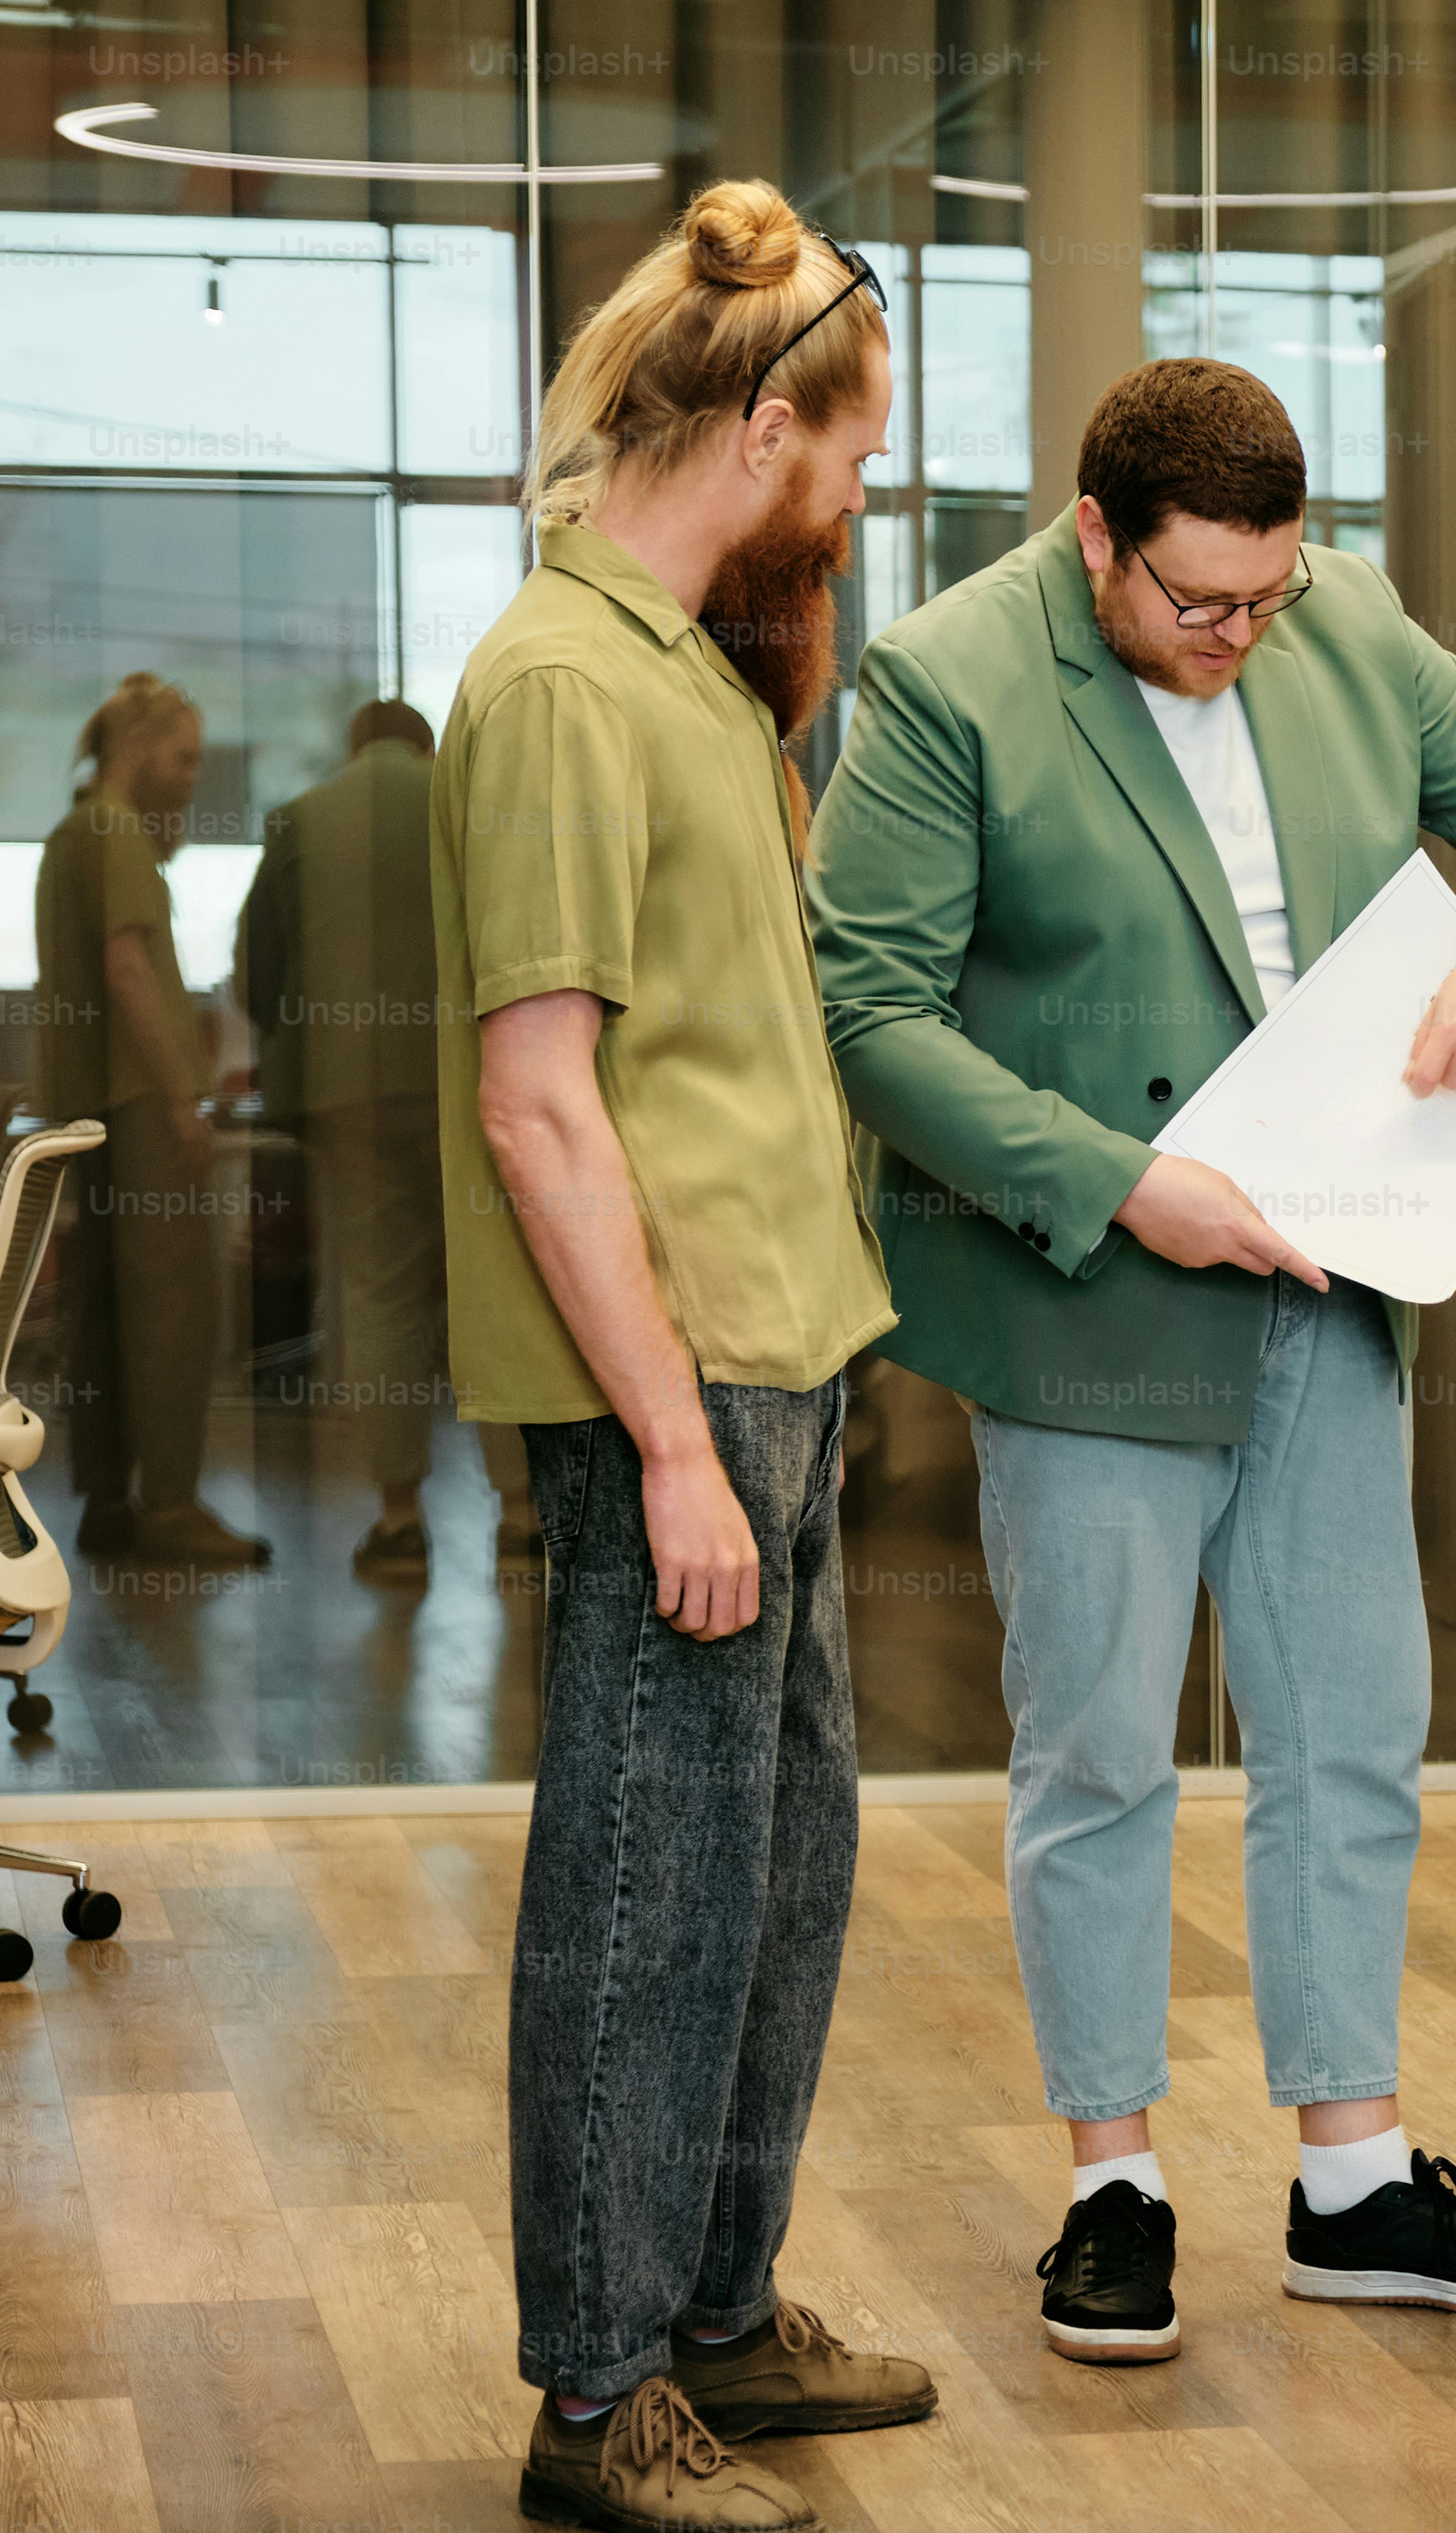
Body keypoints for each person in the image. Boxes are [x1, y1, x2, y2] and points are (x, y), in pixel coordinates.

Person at [806, 356, 1456, 2367]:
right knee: (1097, 1754)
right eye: (1198, 605)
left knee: (1351, 1732)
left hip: (1334, 1282)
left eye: (1264, 600)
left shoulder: (1333, 617)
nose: (1239, 636)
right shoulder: (944, 684)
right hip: (1096, 1294)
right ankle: (1114, 2184)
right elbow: (870, 1009)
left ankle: (1354, 2180)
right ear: (1096, 534)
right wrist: (1119, 1185)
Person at [434, 179, 939, 2533]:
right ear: (761, 425)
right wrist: (669, 1452)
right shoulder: (553, 683)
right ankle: (596, 2395)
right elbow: (543, 1104)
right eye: (847, 453)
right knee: (646, 1884)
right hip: (685, 1379)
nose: (858, 495)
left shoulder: (685, 669)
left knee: (781, 1865)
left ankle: (720, 2311)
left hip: (787, 1347)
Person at [239, 698, 539, 1582]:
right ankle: (521, 1514)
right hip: (470, 1080)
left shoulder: (301, 818)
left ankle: (400, 1517)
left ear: (353, 747)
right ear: (425, 746)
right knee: (492, 1289)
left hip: (350, 1091)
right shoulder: (468, 801)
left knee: (377, 1296)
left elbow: (259, 969)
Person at [35, 671, 268, 1569]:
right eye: (186, 757)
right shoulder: (117, 834)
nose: (192, 775)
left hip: (88, 1109)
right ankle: (169, 1506)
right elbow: (129, 967)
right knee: (176, 1310)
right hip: (139, 1110)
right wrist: (181, 1094)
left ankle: (109, 1503)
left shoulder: (69, 833)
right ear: (141, 752)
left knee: (105, 1317)